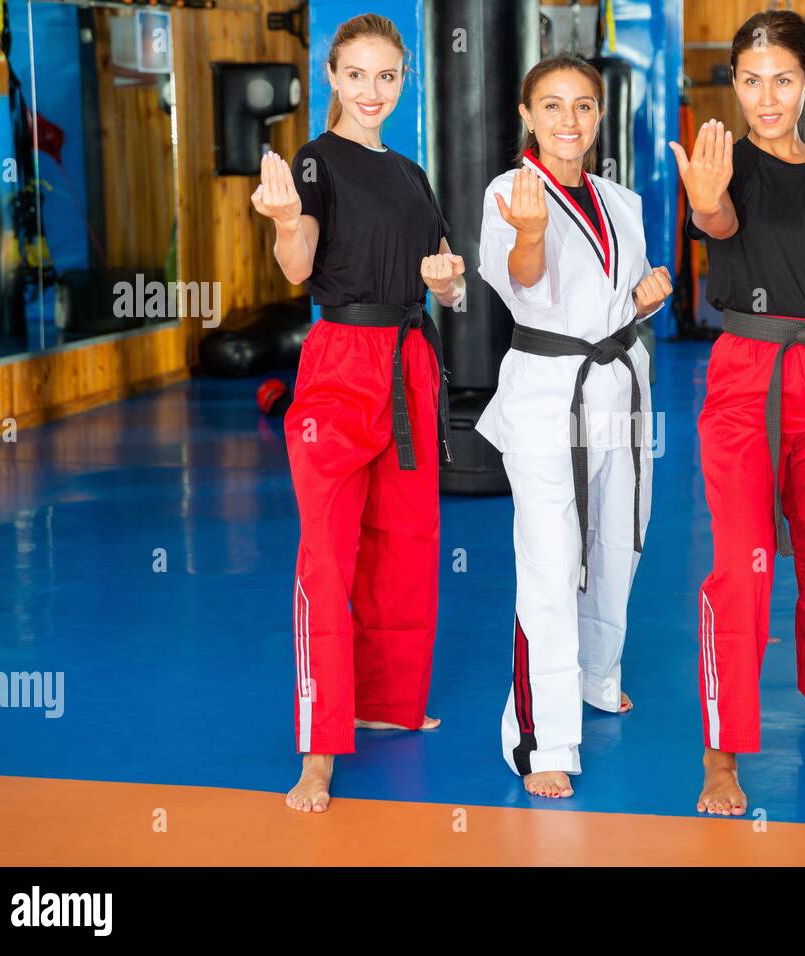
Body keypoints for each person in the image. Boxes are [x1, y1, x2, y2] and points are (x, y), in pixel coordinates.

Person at [251, 13, 466, 813]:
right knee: (328, 557)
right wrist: (280, 223)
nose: (371, 91)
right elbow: (301, 263)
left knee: (404, 544)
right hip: (341, 361)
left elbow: (445, 281)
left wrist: (448, 285)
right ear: (332, 76)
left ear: (404, 80)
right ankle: (318, 747)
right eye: (356, 75)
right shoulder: (314, 162)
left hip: (411, 360)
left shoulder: (412, 174)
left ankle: (386, 701)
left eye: (387, 76)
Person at [672, 9, 805, 816]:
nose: (767, 98)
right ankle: (721, 753)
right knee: (743, 561)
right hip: (745, 376)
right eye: (751, 81)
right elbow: (716, 222)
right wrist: (706, 202)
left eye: (783, 80)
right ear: (734, 82)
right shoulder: (721, 167)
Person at [477, 54, 672, 799]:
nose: (568, 120)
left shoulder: (620, 199)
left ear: (598, 115)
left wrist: (649, 299)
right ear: (527, 115)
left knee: (619, 538)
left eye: (582, 106)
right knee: (551, 560)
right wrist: (529, 231)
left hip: (619, 383)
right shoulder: (509, 192)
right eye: (551, 106)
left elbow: (625, 300)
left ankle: (596, 673)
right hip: (547, 394)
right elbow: (524, 280)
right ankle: (541, 738)